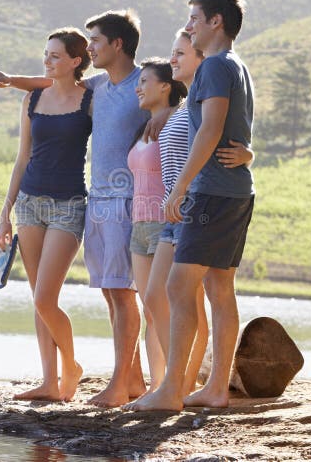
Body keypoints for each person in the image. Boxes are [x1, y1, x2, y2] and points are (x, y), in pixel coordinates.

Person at [0, 10, 167, 407]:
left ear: (116, 44)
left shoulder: (133, 84)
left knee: (115, 294)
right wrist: (10, 80)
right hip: (87, 202)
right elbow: (51, 84)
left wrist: (165, 110)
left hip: (112, 202)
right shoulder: (95, 87)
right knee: (103, 294)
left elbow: (171, 94)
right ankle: (112, 379)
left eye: (95, 40)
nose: (91, 46)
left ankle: (105, 379)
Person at [129, 0, 256, 411]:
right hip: (233, 193)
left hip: (212, 194)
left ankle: (170, 391)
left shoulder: (216, 66)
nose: (189, 27)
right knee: (219, 289)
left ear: (215, 22)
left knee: (177, 287)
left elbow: (211, 128)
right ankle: (215, 388)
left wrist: (181, 187)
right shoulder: (234, 65)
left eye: (194, 19)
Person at [0, 27, 91, 402]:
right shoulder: (33, 100)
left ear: (75, 60)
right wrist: (5, 213)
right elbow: (22, 158)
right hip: (30, 204)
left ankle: (72, 366)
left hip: (69, 206)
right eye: (45, 54)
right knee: (39, 296)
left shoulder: (90, 99)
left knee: (45, 299)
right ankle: (50, 381)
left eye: (55, 56)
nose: (47, 60)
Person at [126, 57, 188, 392]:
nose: (138, 87)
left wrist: (172, 110)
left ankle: (176, 381)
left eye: (145, 81)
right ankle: (157, 385)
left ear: (165, 86)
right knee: (150, 308)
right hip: (139, 225)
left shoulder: (175, 121)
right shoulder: (145, 127)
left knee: (160, 302)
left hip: (166, 223)